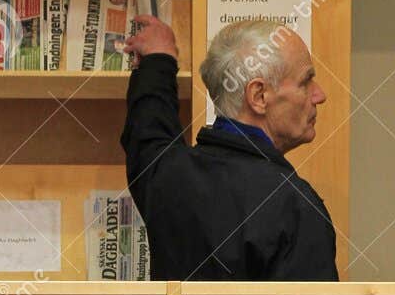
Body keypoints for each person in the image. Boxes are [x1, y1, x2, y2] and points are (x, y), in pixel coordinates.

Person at [120, 16, 338, 281]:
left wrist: (158, 59)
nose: (320, 95)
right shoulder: (295, 206)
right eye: (306, 81)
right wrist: (160, 59)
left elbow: (147, 129)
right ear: (259, 96)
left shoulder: (165, 175)